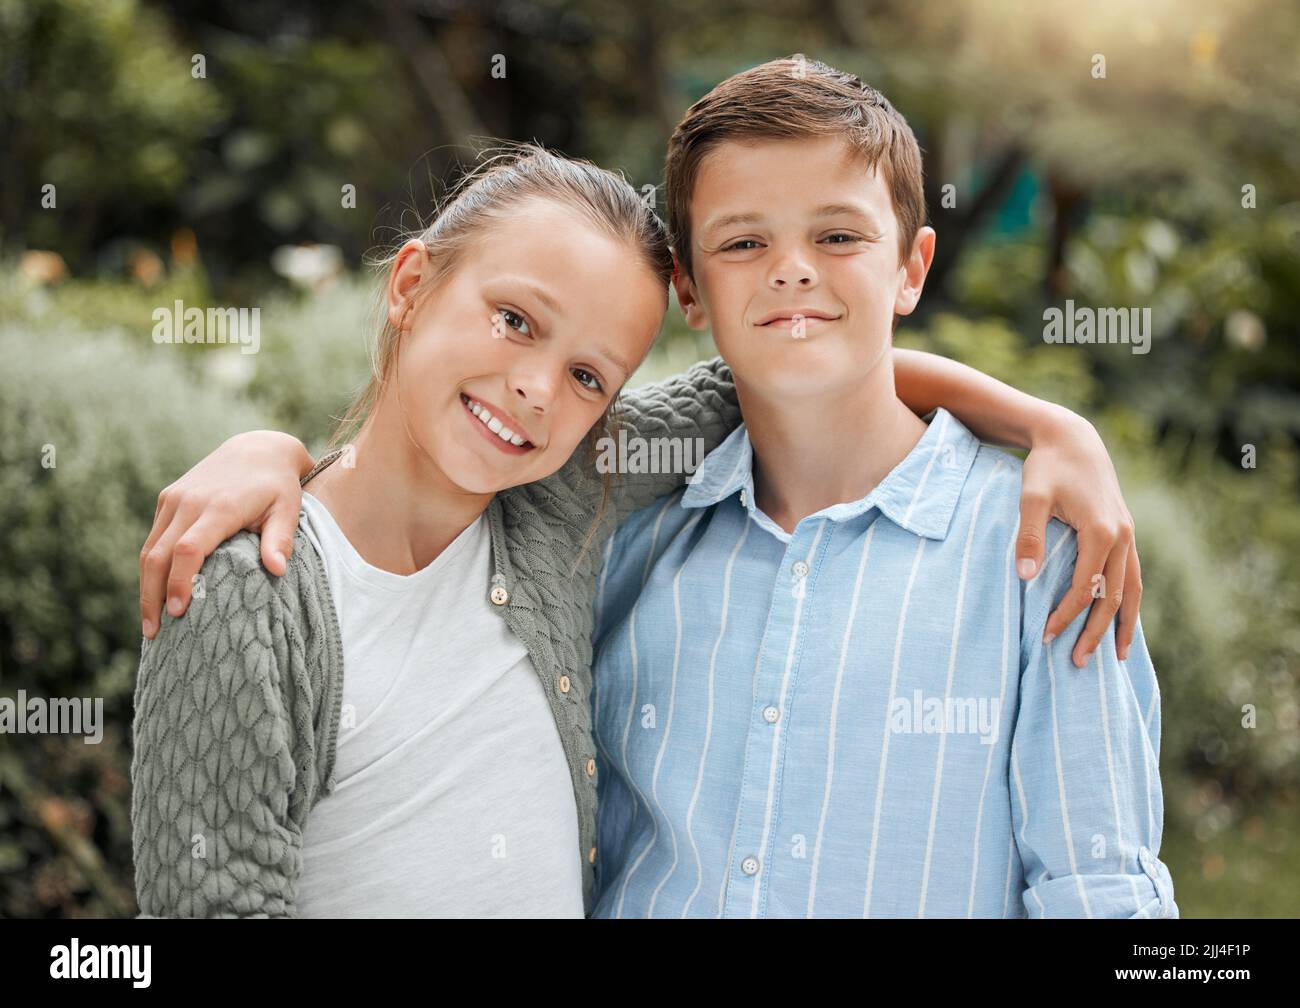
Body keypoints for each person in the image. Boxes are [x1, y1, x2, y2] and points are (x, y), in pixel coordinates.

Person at [133, 140, 1145, 917]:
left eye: (588, 377)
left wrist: (1052, 426)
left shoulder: (558, 502)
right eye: (514, 319)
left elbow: (795, 371)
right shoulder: (247, 591)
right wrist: (271, 447)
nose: (534, 389)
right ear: (409, 286)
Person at [589, 56, 1176, 917]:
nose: (791, 270)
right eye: (744, 242)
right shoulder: (627, 543)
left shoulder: (1042, 553)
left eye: (837, 236)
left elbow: (1101, 892)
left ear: (911, 266)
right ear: (689, 287)